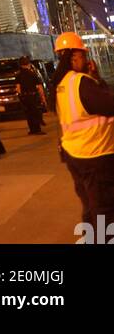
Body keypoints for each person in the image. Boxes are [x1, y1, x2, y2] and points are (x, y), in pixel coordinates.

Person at [52, 31, 114, 231]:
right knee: (104, 209)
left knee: (89, 206)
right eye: (84, 56)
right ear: (74, 56)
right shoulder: (81, 83)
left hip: (74, 153)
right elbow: (109, 104)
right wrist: (96, 79)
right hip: (95, 154)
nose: (86, 60)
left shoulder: (60, 84)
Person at [15, 55, 46, 135]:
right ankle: (37, 129)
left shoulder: (18, 74)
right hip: (33, 95)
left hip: (24, 97)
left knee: (28, 114)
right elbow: (39, 87)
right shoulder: (32, 74)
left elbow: (18, 88)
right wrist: (42, 98)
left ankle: (32, 129)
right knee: (35, 112)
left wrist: (20, 96)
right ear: (28, 64)